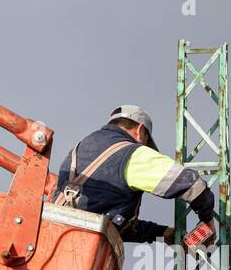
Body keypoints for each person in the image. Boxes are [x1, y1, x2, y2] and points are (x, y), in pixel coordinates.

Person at [54, 105, 216, 245]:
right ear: (140, 131)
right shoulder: (132, 154)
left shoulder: (78, 151)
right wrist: (207, 220)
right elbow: (193, 185)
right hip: (83, 256)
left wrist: (161, 232)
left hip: (52, 242)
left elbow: (104, 221)